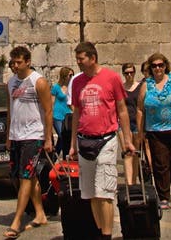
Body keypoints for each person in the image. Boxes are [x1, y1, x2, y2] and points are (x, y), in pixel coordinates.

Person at [69, 41, 134, 240]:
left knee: (105, 191)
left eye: (81, 59)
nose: (78, 63)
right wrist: (72, 144)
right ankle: (99, 232)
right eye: (77, 59)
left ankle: (106, 235)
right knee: (90, 193)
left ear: (92, 58)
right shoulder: (78, 82)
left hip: (106, 139)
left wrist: (128, 140)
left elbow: (122, 110)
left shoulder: (111, 78)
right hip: (84, 140)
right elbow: (77, 113)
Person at [5, 45, 53, 238]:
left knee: (26, 177)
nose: (16, 66)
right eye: (14, 62)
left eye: (19, 62)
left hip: (33, 136)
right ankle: (40, 214)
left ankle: (16, 221)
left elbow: (48, 110)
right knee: (26, 176)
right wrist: (8, 136)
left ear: (27, 62)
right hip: (16, 135)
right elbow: (10, 110)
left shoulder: (38, 82)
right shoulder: (11, 83)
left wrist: (48, 137)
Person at [136, 52, 171, 208]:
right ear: (150, 68)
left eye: (160, 65)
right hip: (155, 131)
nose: (158, 68)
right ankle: (163, 196)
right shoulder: (147, 85)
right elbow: (140, 109)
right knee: (161, 165)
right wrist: (141, 132)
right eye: (154, 66)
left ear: (165, 66)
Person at [122, 62, 141, 182]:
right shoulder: (121, 87)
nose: (129, 75)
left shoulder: (140, 86)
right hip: (124, 124)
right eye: (126, 73)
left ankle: (134, 181)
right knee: (127, 152)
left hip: (137, 123)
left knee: (136, 153)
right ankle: (129, 184)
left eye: (131, 72)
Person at [51, 67, 73, 157]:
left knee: (66, 137)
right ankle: (58, 155)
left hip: (68, 115)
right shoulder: (56, 87)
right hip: (57, 115)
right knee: (61, 136)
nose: (72, 77)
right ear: (64, 76)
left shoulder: (71, 87)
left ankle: (57, 154)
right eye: (70, 75)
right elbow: (51, 102)